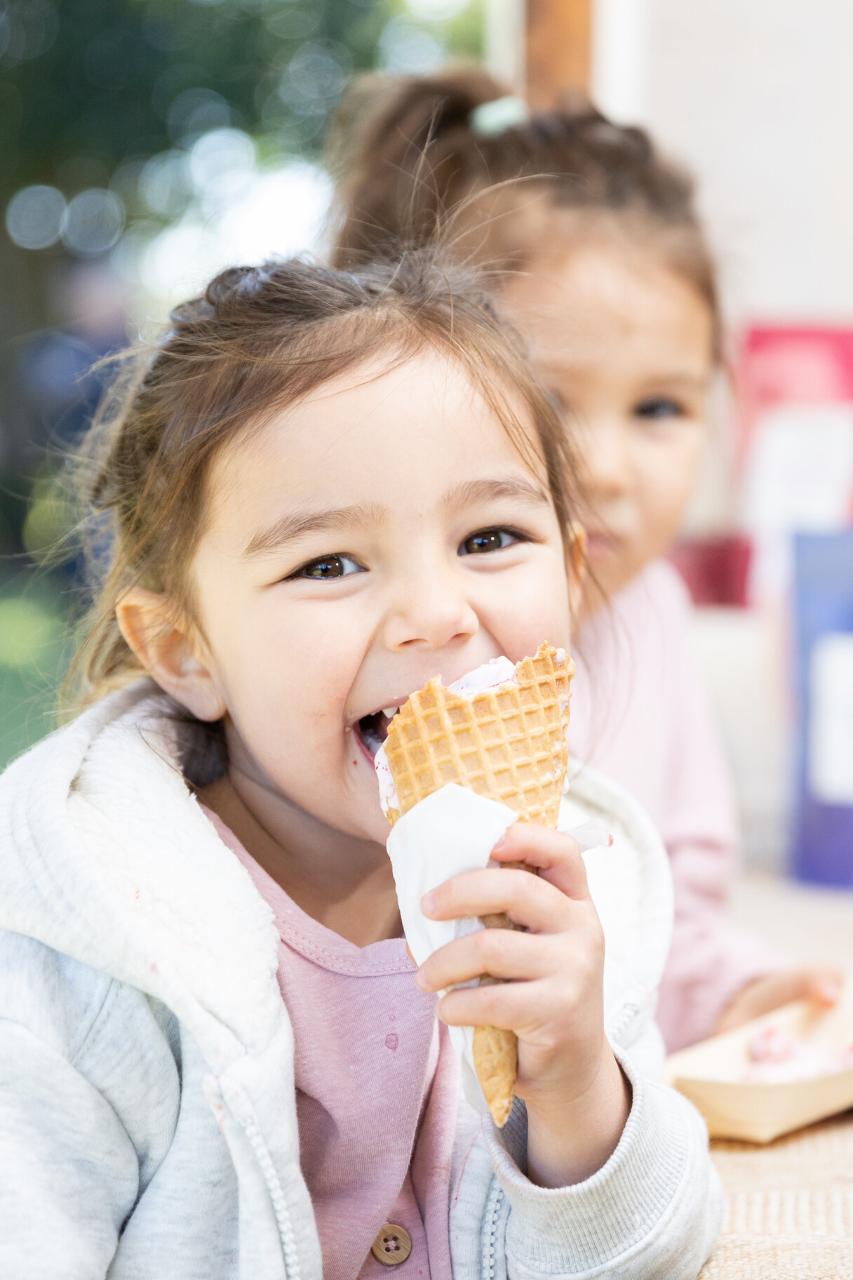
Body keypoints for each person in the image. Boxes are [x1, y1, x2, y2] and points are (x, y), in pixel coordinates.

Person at [0, 254, 721, 1278]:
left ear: (570, 572)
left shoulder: (571, 882)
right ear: (185, 650)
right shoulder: (89, 949)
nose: (435, 613)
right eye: (328, 563)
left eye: (489, 536)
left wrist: (577, 1087)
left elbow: (659, 1247)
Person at [328, 68, 842, 1050]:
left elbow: (668, 921)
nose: (605, 467)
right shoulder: (399, 635)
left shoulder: (652, 609)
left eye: (660, 407)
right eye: (551, 400)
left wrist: (744, 996)